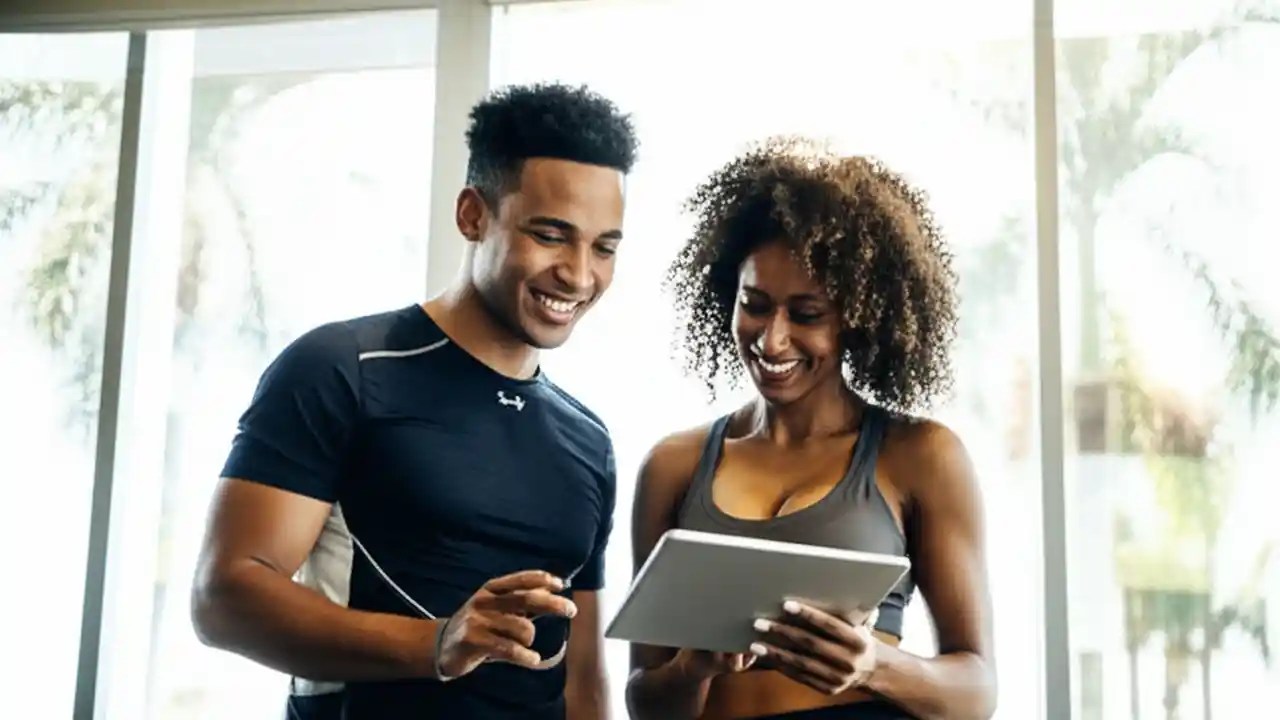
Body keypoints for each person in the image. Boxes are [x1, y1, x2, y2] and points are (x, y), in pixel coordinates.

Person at [190, 82, 638, 720]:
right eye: (550, 235)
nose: (579, 273)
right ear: (472, 216)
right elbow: (223, 597)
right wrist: (437, 644)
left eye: (604, 247)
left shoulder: (588, 441)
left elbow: (583, 683)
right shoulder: (342, 370)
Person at [625, 137, 996, 720]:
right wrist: (693, 668)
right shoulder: (674, 465)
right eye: (754, 304)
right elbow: (647, 704)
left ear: (858, 318)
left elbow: (976, 692)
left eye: (807, 315)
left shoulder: (920, 455)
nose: (772, 340)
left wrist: (872, 665)